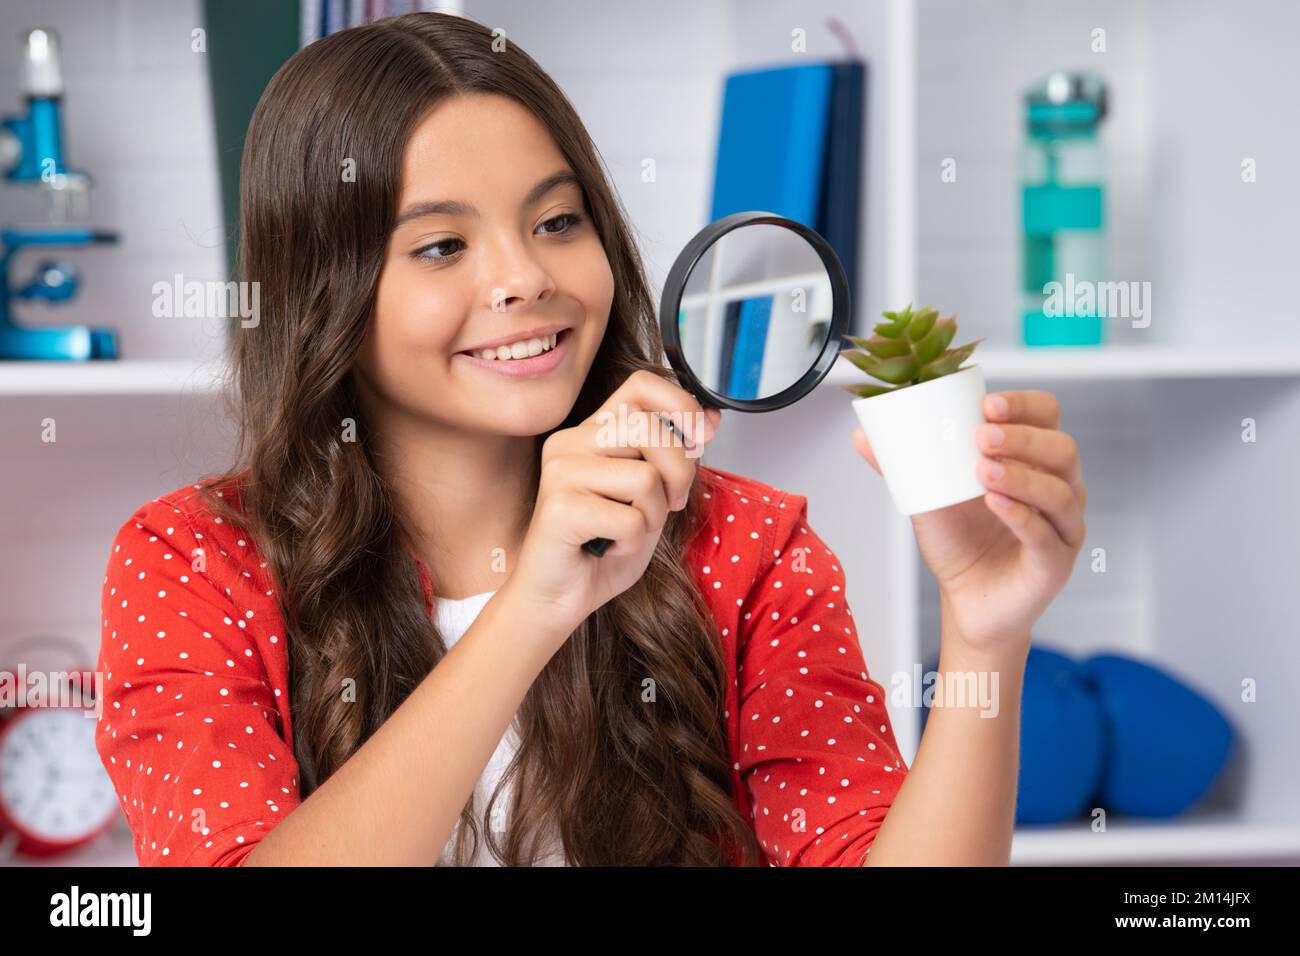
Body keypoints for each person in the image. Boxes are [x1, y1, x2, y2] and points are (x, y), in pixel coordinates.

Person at [95, 11, 1086, 867]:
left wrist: (984, 633)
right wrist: (533, 600)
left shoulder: (747, 550)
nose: (526, 276)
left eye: (558, 220)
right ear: (325, 292)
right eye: (442, 244)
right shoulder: (193, 562)